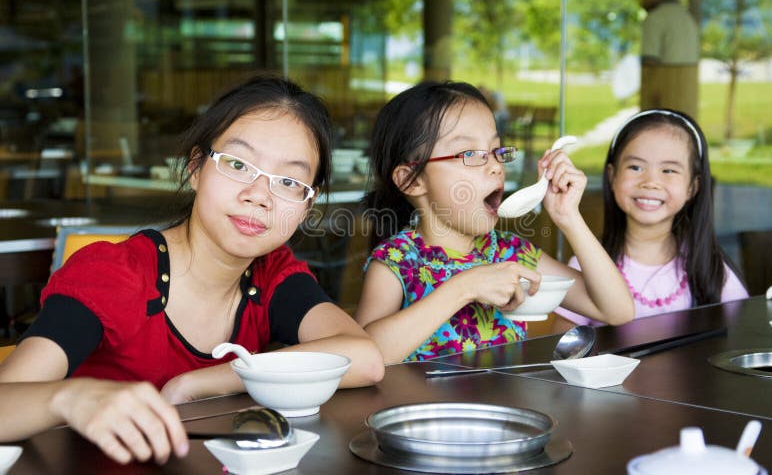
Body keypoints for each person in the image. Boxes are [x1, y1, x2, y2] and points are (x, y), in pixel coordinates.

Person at [0, 75, 385, 464]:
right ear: (197, 167)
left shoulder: (271, 274)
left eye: (288, 182)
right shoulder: (115, 275)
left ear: (307, 204)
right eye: (238, 164)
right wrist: (70, 398)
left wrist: (196, 384)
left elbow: (363, 358)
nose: (259, 196)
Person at [354, 81, 634, 364]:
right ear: (410, 180)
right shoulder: (398, 260)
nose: (496, 166)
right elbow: (368, 356)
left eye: (496, 151)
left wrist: (568, 217)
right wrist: (464, 288)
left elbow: (615, 310)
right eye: (470, 154)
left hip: (505, 405)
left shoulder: (511, 253)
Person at [554, 109, 748, 329]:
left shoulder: (709, 268)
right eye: (636, 167)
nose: (650, 182)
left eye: (669, 170)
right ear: (612, 176)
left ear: (692, 187)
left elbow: (741, 335)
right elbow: (564, 349)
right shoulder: (584, 264)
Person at [640, 0, 700, 119]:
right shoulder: (687, 17)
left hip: (662, 101)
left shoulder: (655, 18)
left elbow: (649, 65)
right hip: (686, 99)